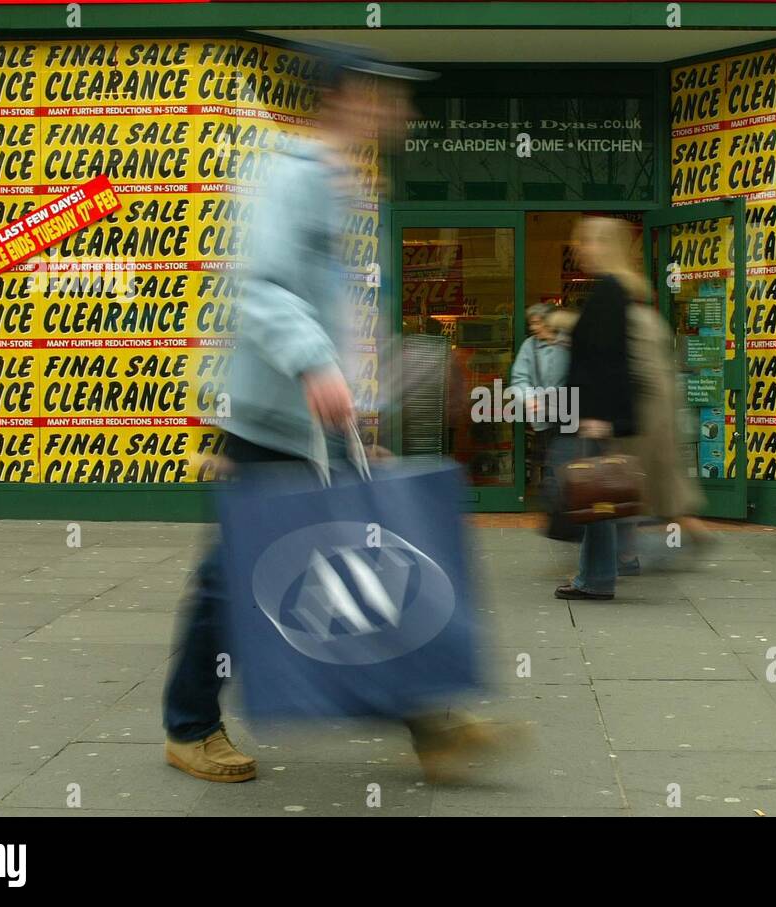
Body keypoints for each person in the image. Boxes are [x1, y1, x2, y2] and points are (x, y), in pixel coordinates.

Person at [163, 46, 515, 786]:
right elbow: (259, 289)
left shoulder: (344, 182)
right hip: (272, 417)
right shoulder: (290, 176)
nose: (404, 113)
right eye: (391, 97)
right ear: (349, 97)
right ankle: (189, 725)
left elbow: (331, 307)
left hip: (320, 419)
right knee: (235, 577)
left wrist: (358, 415)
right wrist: (317, 366)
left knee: (369, 553)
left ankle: (428, 722)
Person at [554, 217, 644, 601]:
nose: (580, 248)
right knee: (595, 497)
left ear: (605, 245)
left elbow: (607, 361)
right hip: (595, 410)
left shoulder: (610, 291)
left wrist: (597, 416)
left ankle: (597, 578)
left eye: (587, 242)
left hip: (595, 412)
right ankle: (593, 576)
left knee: (595, 497)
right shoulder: (613, 289)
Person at [621, 290, 709, 568]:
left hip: (645, 419)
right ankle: (693, 532)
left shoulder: (630, 324)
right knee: (660, 488)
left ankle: (628, 553)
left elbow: (639, 373)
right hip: (661, 416)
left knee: (634, 488)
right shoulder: (651, 321)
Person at [510, 303, 569, 486]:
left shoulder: (568, 341)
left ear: (549, 322)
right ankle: (554, 500)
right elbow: (519, 377)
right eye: (531, 323)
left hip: (572, 410)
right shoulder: (530, 346)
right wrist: (529, 398)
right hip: (545, 414)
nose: (533, 327)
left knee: (570, 459)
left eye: (537, 322)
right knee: (550, 459)